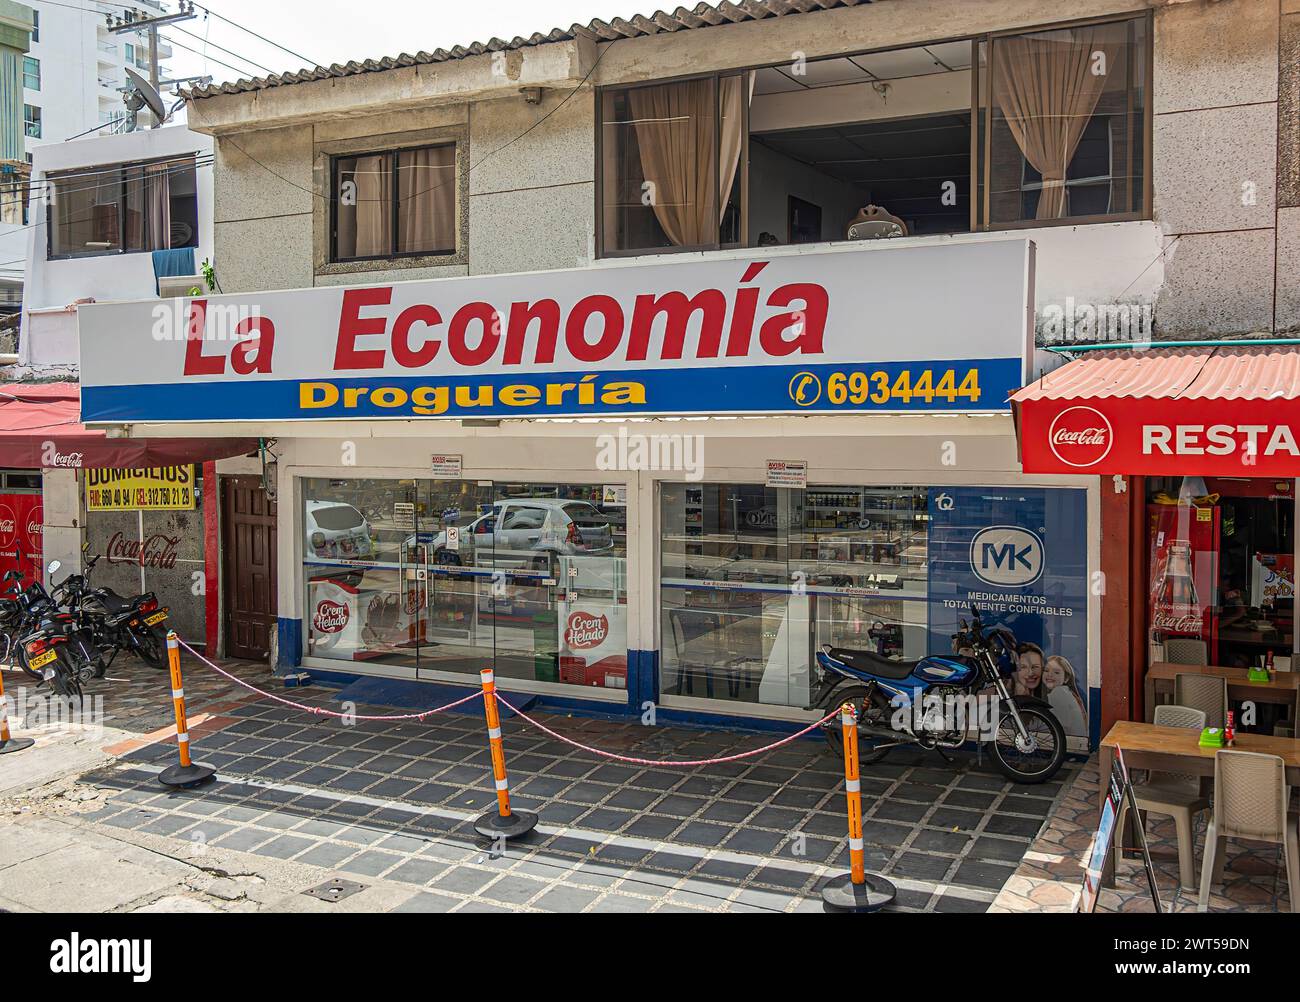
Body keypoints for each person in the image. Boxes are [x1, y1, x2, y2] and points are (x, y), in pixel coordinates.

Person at [1042, 654, 1087, 736]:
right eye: (1046, 670)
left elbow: (1057, 727)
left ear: (1066, 678)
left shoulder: (1059, 693)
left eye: (1056, 672)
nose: (1050, 674)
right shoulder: (1067, 692)